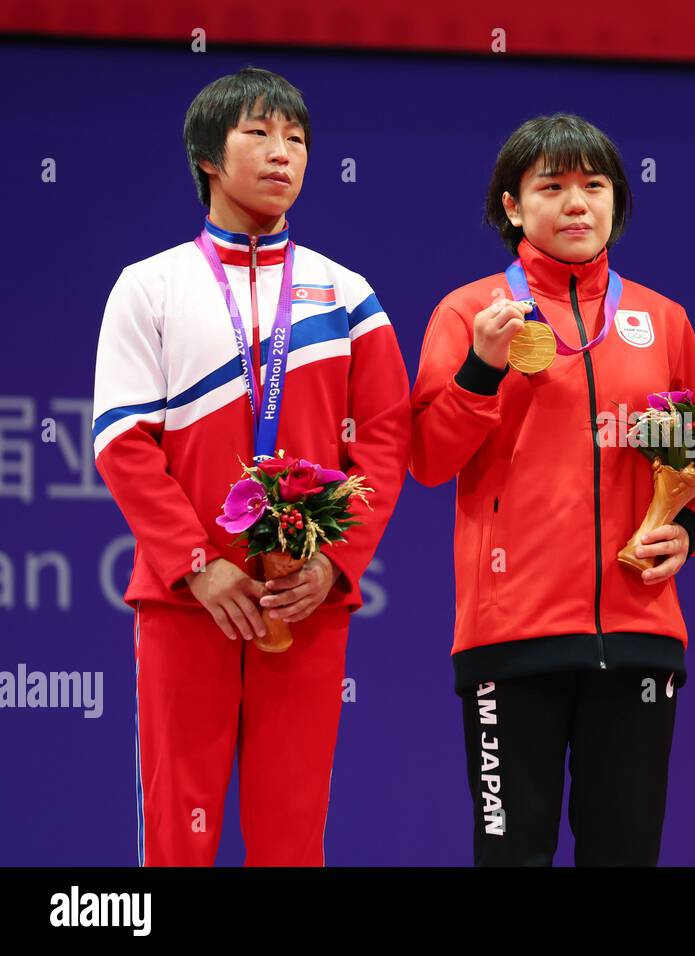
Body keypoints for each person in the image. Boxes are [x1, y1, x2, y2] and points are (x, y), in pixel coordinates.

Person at [91, 67, 411, 865]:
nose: (283, 155)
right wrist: (197, 565)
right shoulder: (150, 286)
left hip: (304, 604)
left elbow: (384, 438)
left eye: (297, 140)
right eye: (259, 135)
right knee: (178, 832)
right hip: (187, 603)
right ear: (208, 155)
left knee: (291, 838)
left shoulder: (347, 294)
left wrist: (333, 565)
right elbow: (121, 441)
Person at [409, 114, 695, 866]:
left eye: (594, 185)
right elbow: (426, 456)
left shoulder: (663, 319)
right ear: (513, 206)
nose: (577, 203)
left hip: (641, 634)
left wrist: (692, 532)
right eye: (552, 187)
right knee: (511, 855)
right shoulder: (470, 312)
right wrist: (482, 366)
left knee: (625, 855)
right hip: (511, 638)